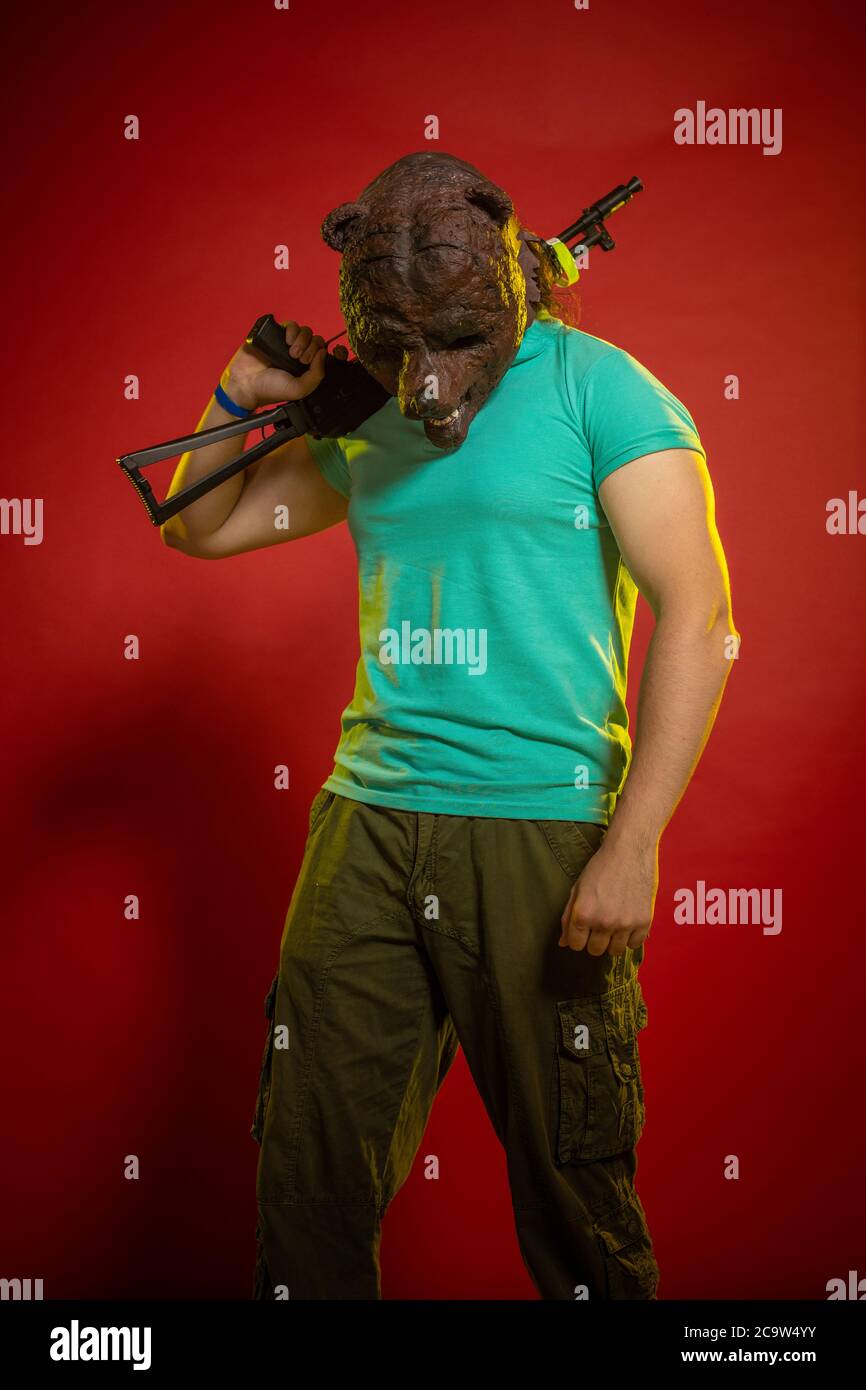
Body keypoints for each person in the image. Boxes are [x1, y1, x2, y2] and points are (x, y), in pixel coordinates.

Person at [161, 151, 736, 1301]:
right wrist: (239, 394)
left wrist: (631, 842)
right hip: (364, 826)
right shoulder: (367, 417)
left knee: (576, 1193)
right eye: (395, 348)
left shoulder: (602, 390)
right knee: (308, 1172)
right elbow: (199, 526)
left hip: (538, 829)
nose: (422, 386)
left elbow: (699, 616)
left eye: (444, 346)